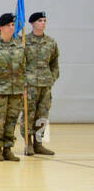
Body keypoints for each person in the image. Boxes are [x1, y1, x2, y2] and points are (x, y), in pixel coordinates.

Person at [0, 13, 26, 161]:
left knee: (12, 119)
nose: (12, 27)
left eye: (13, 25)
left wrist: (24, 87)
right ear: (1, 27)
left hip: (16, 90)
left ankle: (8, 148)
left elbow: (24, 68)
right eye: (9, 25)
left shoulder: (20, 47)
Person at [24, 12, 59, 155]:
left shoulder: (51, 42)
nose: (43, 23)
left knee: (43, 115)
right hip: (30, 84)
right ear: (32, 23)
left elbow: (54, 63)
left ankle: (39, 143)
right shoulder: (24, 41)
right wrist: (22, 82)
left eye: (44, 20)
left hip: (45, 84)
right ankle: (29, 144)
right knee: (29, 114)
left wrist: (52, 77)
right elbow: (18, 63)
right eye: (39, 20)